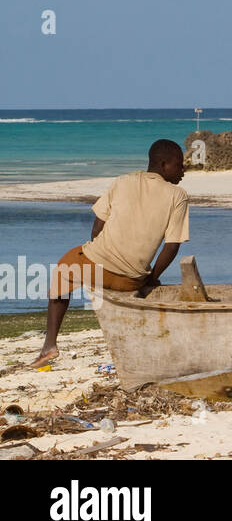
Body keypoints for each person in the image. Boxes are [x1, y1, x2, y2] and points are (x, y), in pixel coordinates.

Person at [33, 139, 189, 366]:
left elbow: (97, 227)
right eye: (180, 164)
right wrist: (152, 278)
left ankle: (49, 345)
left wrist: (99, 255)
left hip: (96, 267)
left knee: (63, 270)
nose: (183, 170)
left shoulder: (122, 181)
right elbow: (172, 246)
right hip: (132, 280)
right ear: (163, 165)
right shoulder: (178, 196)